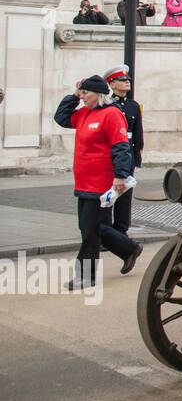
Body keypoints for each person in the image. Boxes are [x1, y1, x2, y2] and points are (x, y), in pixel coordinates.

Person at [53, 75, 142, 289]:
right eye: (81, 93)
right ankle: (128, 248)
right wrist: (74, 95)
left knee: (91, 229)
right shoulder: (84, 113)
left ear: (99, 94)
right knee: (94, 227)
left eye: (85, 93)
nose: (82, 97)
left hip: (101, 183)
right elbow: (61, 117)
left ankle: (86, 275)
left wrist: (120, 176)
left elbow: (121, 147)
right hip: (83, 182)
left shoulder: (111, 114)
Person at [103, 65, 143, 238]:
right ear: (111, 84)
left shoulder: (133, 106)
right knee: (108, 196)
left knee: (125, 199)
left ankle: (121, 231)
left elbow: (138, 135)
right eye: (122, 80)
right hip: (111, 158)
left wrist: (137, 160)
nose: (127, 82)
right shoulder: (106, 105)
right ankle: (106, 232)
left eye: (127, 80)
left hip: (127, 158)